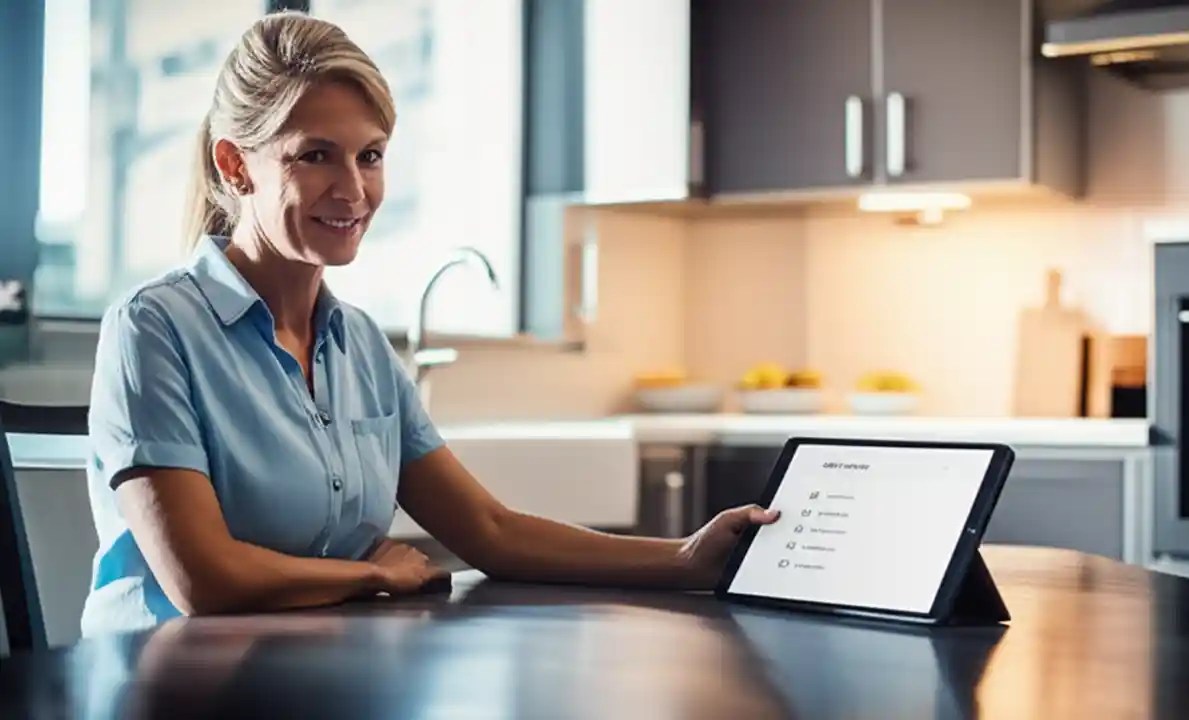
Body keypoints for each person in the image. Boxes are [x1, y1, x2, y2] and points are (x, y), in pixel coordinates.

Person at [81, 11, 778, 637]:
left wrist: (687, 556)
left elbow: (489, 530)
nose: (353, 189)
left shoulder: (361, 347)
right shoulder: (153, 329)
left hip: (308, 672)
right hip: (163, 680)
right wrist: (370, 575)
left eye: (371, 155)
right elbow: (203, 580)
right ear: (235, 165)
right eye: (316, 154)